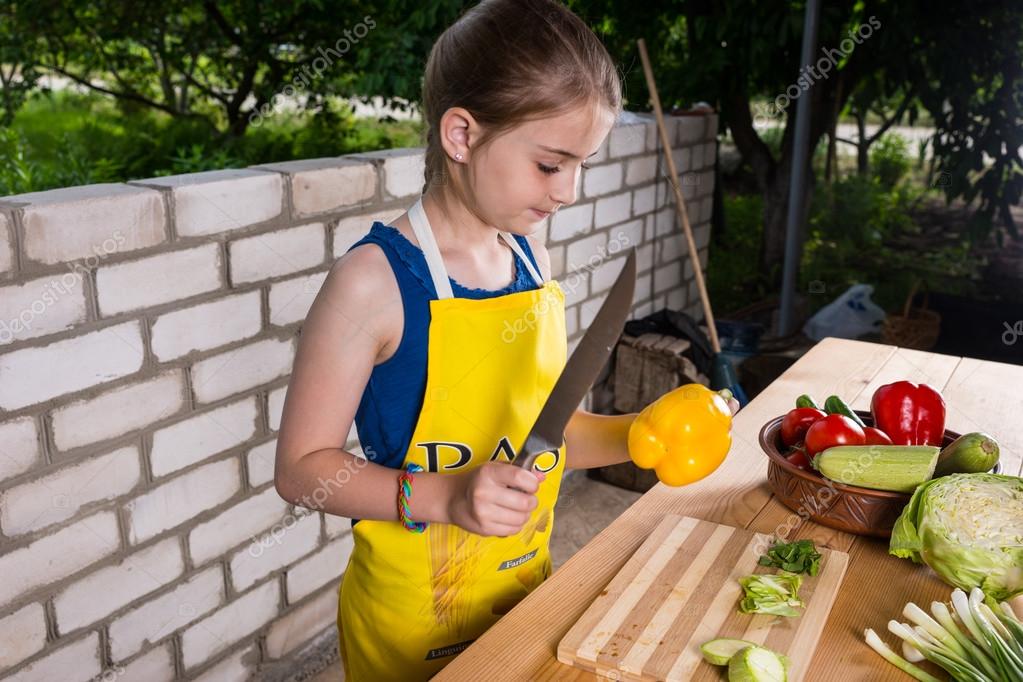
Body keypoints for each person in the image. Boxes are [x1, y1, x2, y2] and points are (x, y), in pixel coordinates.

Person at [274, 1, 737, 679]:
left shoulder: (528, 258)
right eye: (551, 165)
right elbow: (301, 471)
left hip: (526, 587)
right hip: (411, 624)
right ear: (461, 134)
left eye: (582, 165)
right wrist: (447, 498)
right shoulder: (372, 282)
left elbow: (541, 437)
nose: (569, 192)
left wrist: (640, 435)